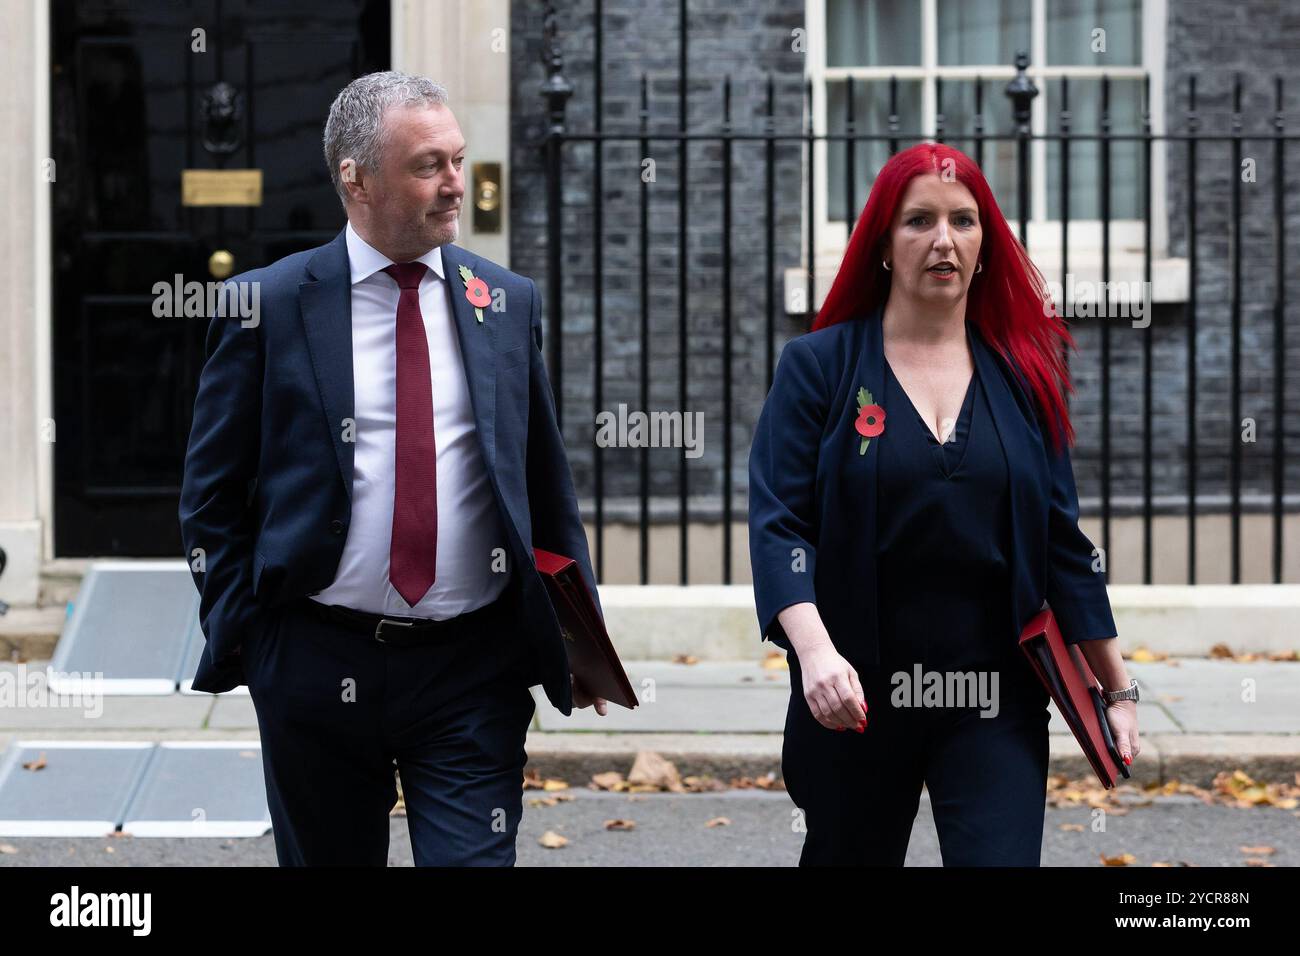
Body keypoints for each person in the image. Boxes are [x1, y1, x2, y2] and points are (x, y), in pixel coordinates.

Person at [179, 71, 606, 866]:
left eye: (458, 159)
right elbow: (211, 497)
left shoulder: (504, 302)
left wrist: (574, 635)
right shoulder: (266, 305)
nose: (456, 185)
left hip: (471, 669)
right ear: (357, 178)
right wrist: (250, 640)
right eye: (428, 166)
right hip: (315, 662)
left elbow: (544, 486)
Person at [748, 142, 1140, 866]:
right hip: (857, 693)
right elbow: (780, 526)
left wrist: (1116, 689)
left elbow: (1063, 544)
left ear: (985, 244)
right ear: (884, 245)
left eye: (963, 221)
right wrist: (815, 655)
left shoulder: (1023, 377)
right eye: (918, 220)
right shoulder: (819, 368)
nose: (943, 240)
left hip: (994, 697)